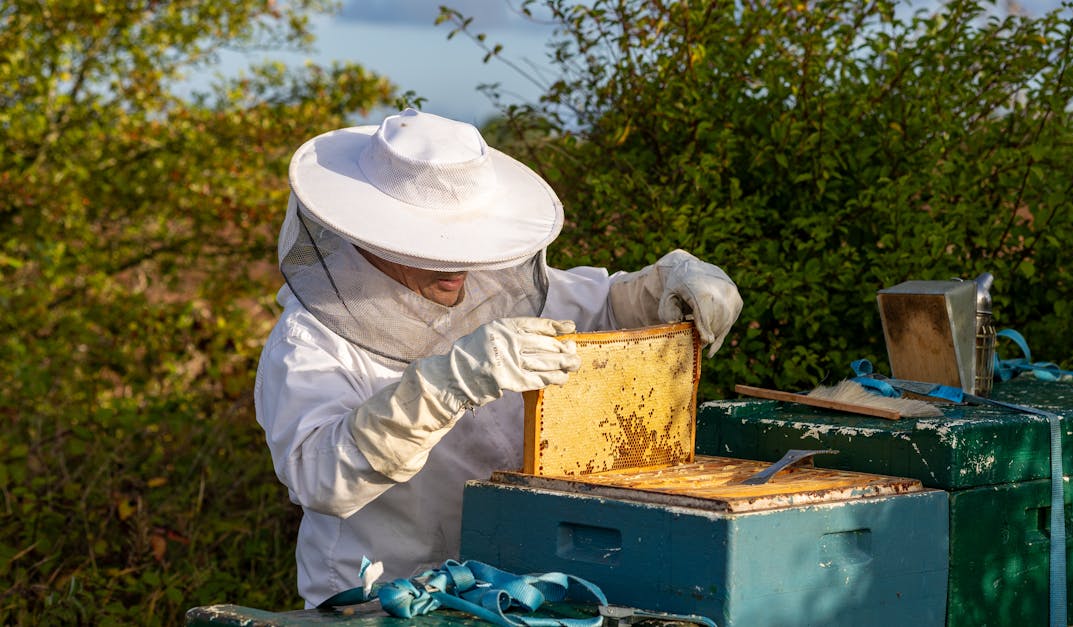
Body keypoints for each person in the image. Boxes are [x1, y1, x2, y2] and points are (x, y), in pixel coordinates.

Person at [254, 109, 743, 607]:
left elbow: (606, 303)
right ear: (372, 234)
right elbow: (321, 478)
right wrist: (449, 384)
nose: (456, 267)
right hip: (377, 596)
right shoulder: (309, 341)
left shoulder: (489, 282)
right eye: (428, 249)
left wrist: (671, 283)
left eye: (467, 243)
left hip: (510, 585)